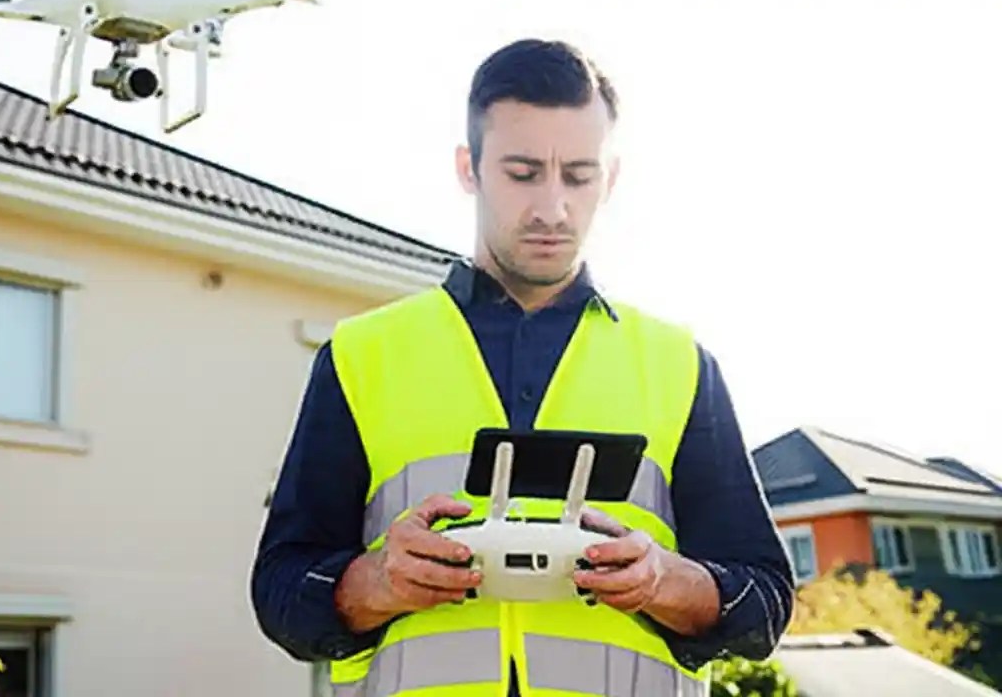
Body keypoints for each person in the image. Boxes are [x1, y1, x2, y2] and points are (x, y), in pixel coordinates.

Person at [250, 37, 794, 697]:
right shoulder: (361, 355)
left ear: (610, 178)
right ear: (468, 168)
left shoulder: (680, 365)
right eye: (523, 172)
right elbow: (280, 590)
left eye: (579, 176)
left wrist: (663, 581)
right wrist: (376, 584)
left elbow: (765, 601)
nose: (552, 209)